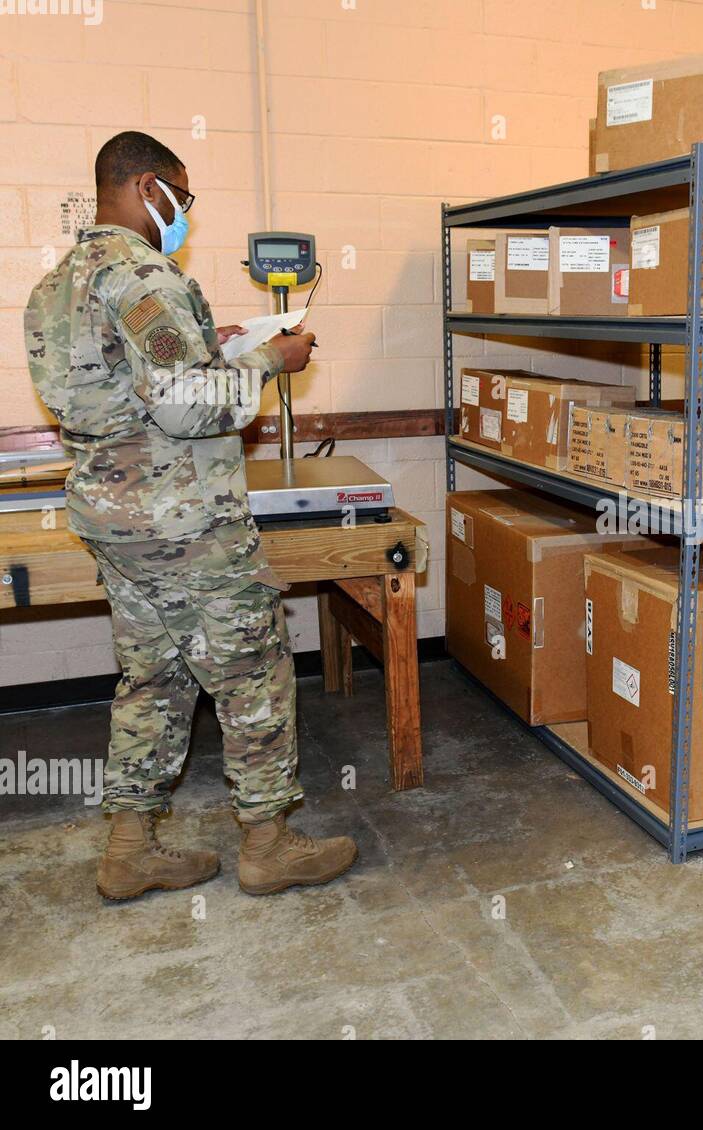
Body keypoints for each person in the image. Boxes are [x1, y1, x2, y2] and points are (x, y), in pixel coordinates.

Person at [25, 131, 358, 897]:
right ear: (148, 187)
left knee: (154, 677)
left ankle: (129, 849)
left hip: (113, 519)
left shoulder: (59, 284)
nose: (184, 212)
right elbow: (184, 407)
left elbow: (124, 385)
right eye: (183, 194)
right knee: (253, 672)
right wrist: (272, 361)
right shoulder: (144, 276)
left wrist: (219, 348)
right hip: (185, 525)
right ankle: (270, 846)